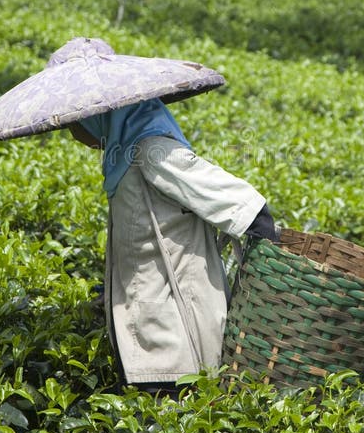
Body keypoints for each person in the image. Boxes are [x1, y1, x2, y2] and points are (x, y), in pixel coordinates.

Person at [68, 97, 278, 398]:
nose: (76, 134)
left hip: (174, 328)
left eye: (75, 124)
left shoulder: (151, 150)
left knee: (169, 414)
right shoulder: (124, 155)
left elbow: (228, 195)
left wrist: (262, 235)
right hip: (148, 320)